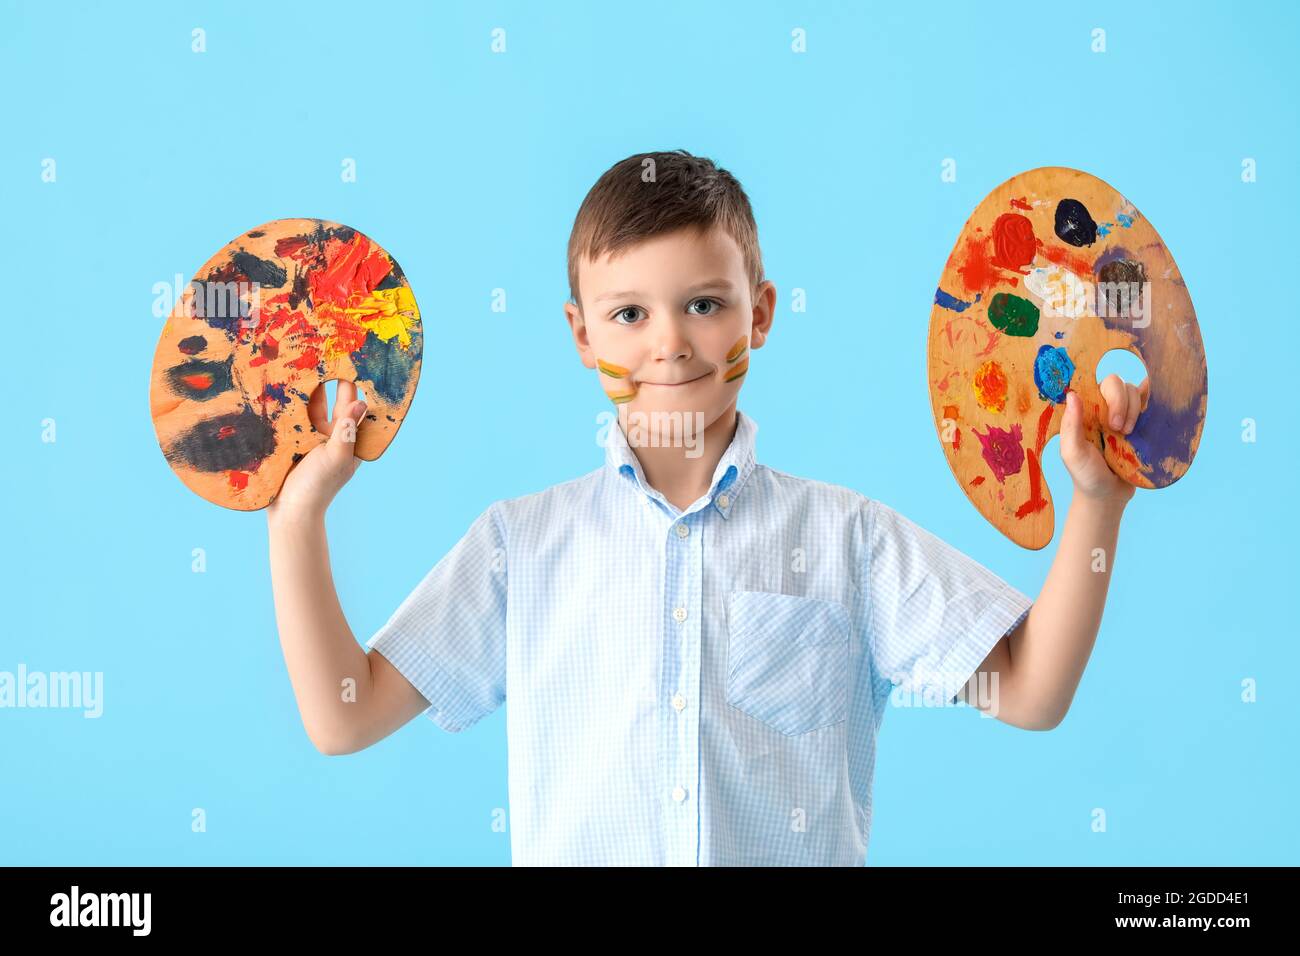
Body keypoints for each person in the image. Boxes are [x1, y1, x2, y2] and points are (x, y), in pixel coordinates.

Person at [266, 149, 1148, 866]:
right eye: (628, 314)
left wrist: (1096, 502)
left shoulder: (849, 540)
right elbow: (344, 714)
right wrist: (297, 519)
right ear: (581, 335)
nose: (670, 343)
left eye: (703, 304)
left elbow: (1031, 691)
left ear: (758, 315)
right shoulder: (518, 546)